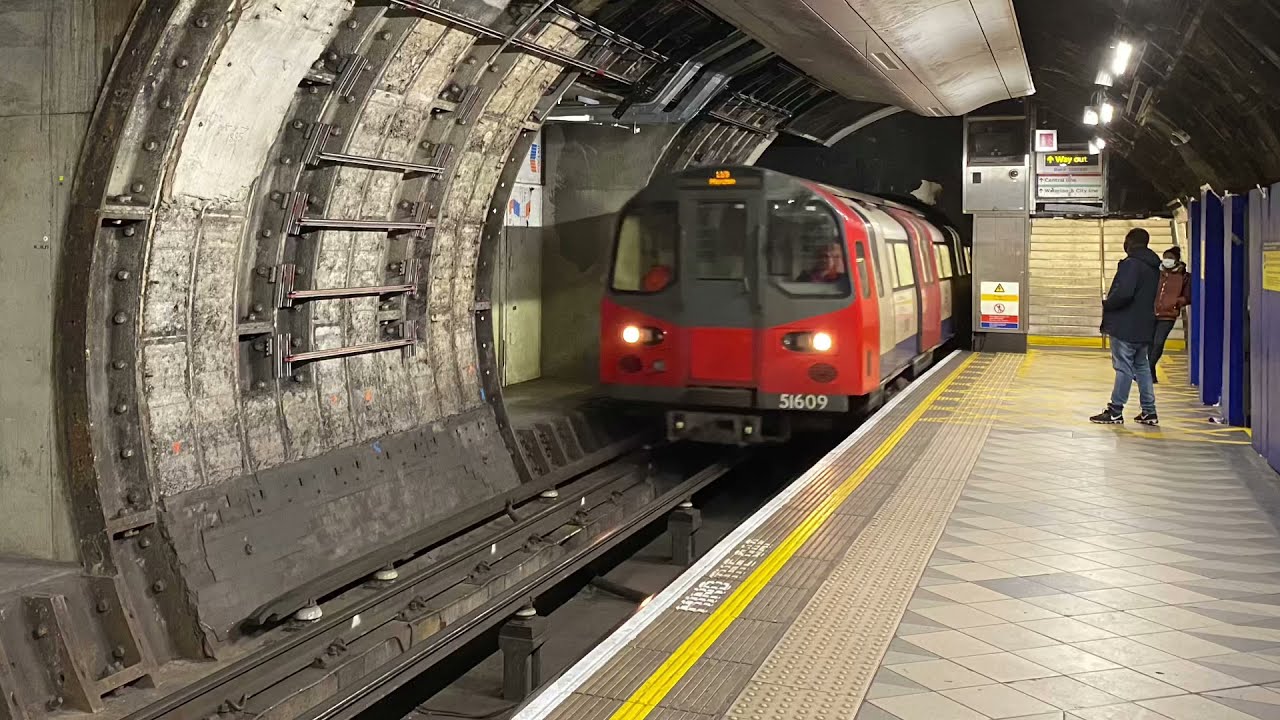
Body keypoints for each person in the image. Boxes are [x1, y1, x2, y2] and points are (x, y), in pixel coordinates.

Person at [1091, 228, 1162, 426]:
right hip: (1144, 325)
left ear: (1130, 242)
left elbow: (1124, 293)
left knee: (1123, 367)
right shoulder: (1153, 266)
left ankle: (1115, 410)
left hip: (1126, 325)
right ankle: (1149, 411)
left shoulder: (1132, 264)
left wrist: (1109, 303)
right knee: (1142, 367)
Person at [1150, 246, 1191, 383]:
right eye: (1165, 257)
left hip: (1168, 315)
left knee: (1158, 342)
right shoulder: (1156, 272)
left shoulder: (1184, 276)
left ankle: (1148, 368)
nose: (1167, 260)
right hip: (1152, 313)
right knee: (1150, 343)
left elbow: (1188, 297)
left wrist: (1175, 302)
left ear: (1177, 260)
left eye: (1171, 258)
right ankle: (1150, 372)